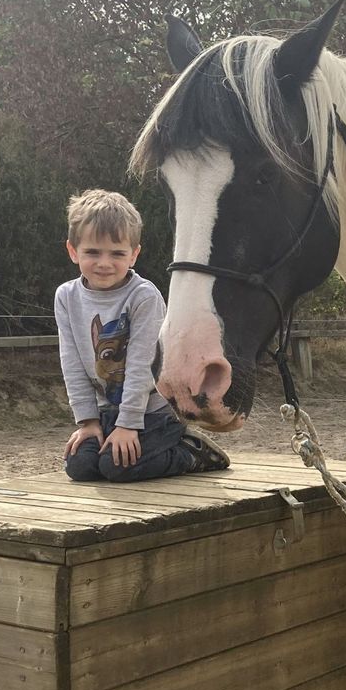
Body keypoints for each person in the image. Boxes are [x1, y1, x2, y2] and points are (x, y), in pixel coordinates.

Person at [56, 189, 227, 481]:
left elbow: (140, 367)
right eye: (93, 252)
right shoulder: (66, 296)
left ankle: (189, 450)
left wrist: (129, 425)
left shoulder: (143, 296)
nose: (104, 263)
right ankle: (113, 434)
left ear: (134, 254)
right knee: (80, 468)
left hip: (152, 413)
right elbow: (71, 364)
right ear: (73, 251)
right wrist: (88, 422)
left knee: (119, 467)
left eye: (117, 253)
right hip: (107, 411)